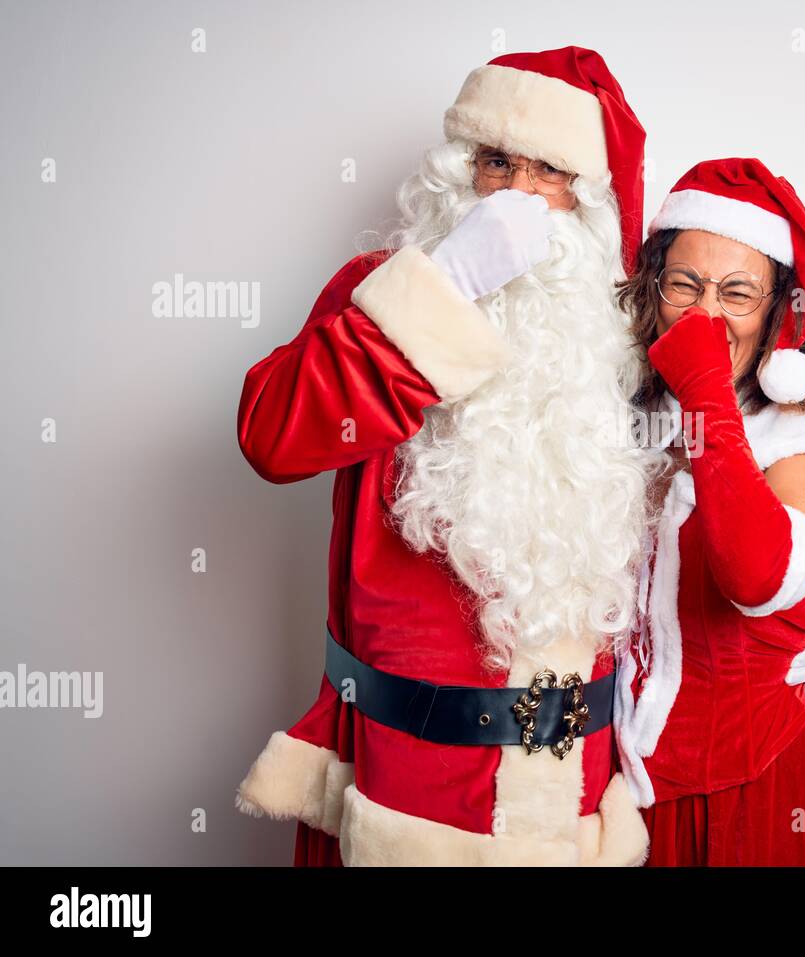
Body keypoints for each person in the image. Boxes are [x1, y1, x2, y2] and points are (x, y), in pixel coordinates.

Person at [232, 47, 659, 866]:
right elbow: (271, 436)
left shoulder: (612, 335)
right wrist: (449, 284)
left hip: (578, 799)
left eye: (549, 171)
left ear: (589, 201)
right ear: (460, 174)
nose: (516, 196)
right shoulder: (383, 292)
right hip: (408, 796)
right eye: (497, 162)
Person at [614, 158, 805, 866]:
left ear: (779, 308)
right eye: (684, 285)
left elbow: (756, 578)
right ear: (652, 289)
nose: (706, 314)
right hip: (619, 801)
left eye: (737, 292)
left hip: (755, 796)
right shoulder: (622, 410)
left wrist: (701, 388)